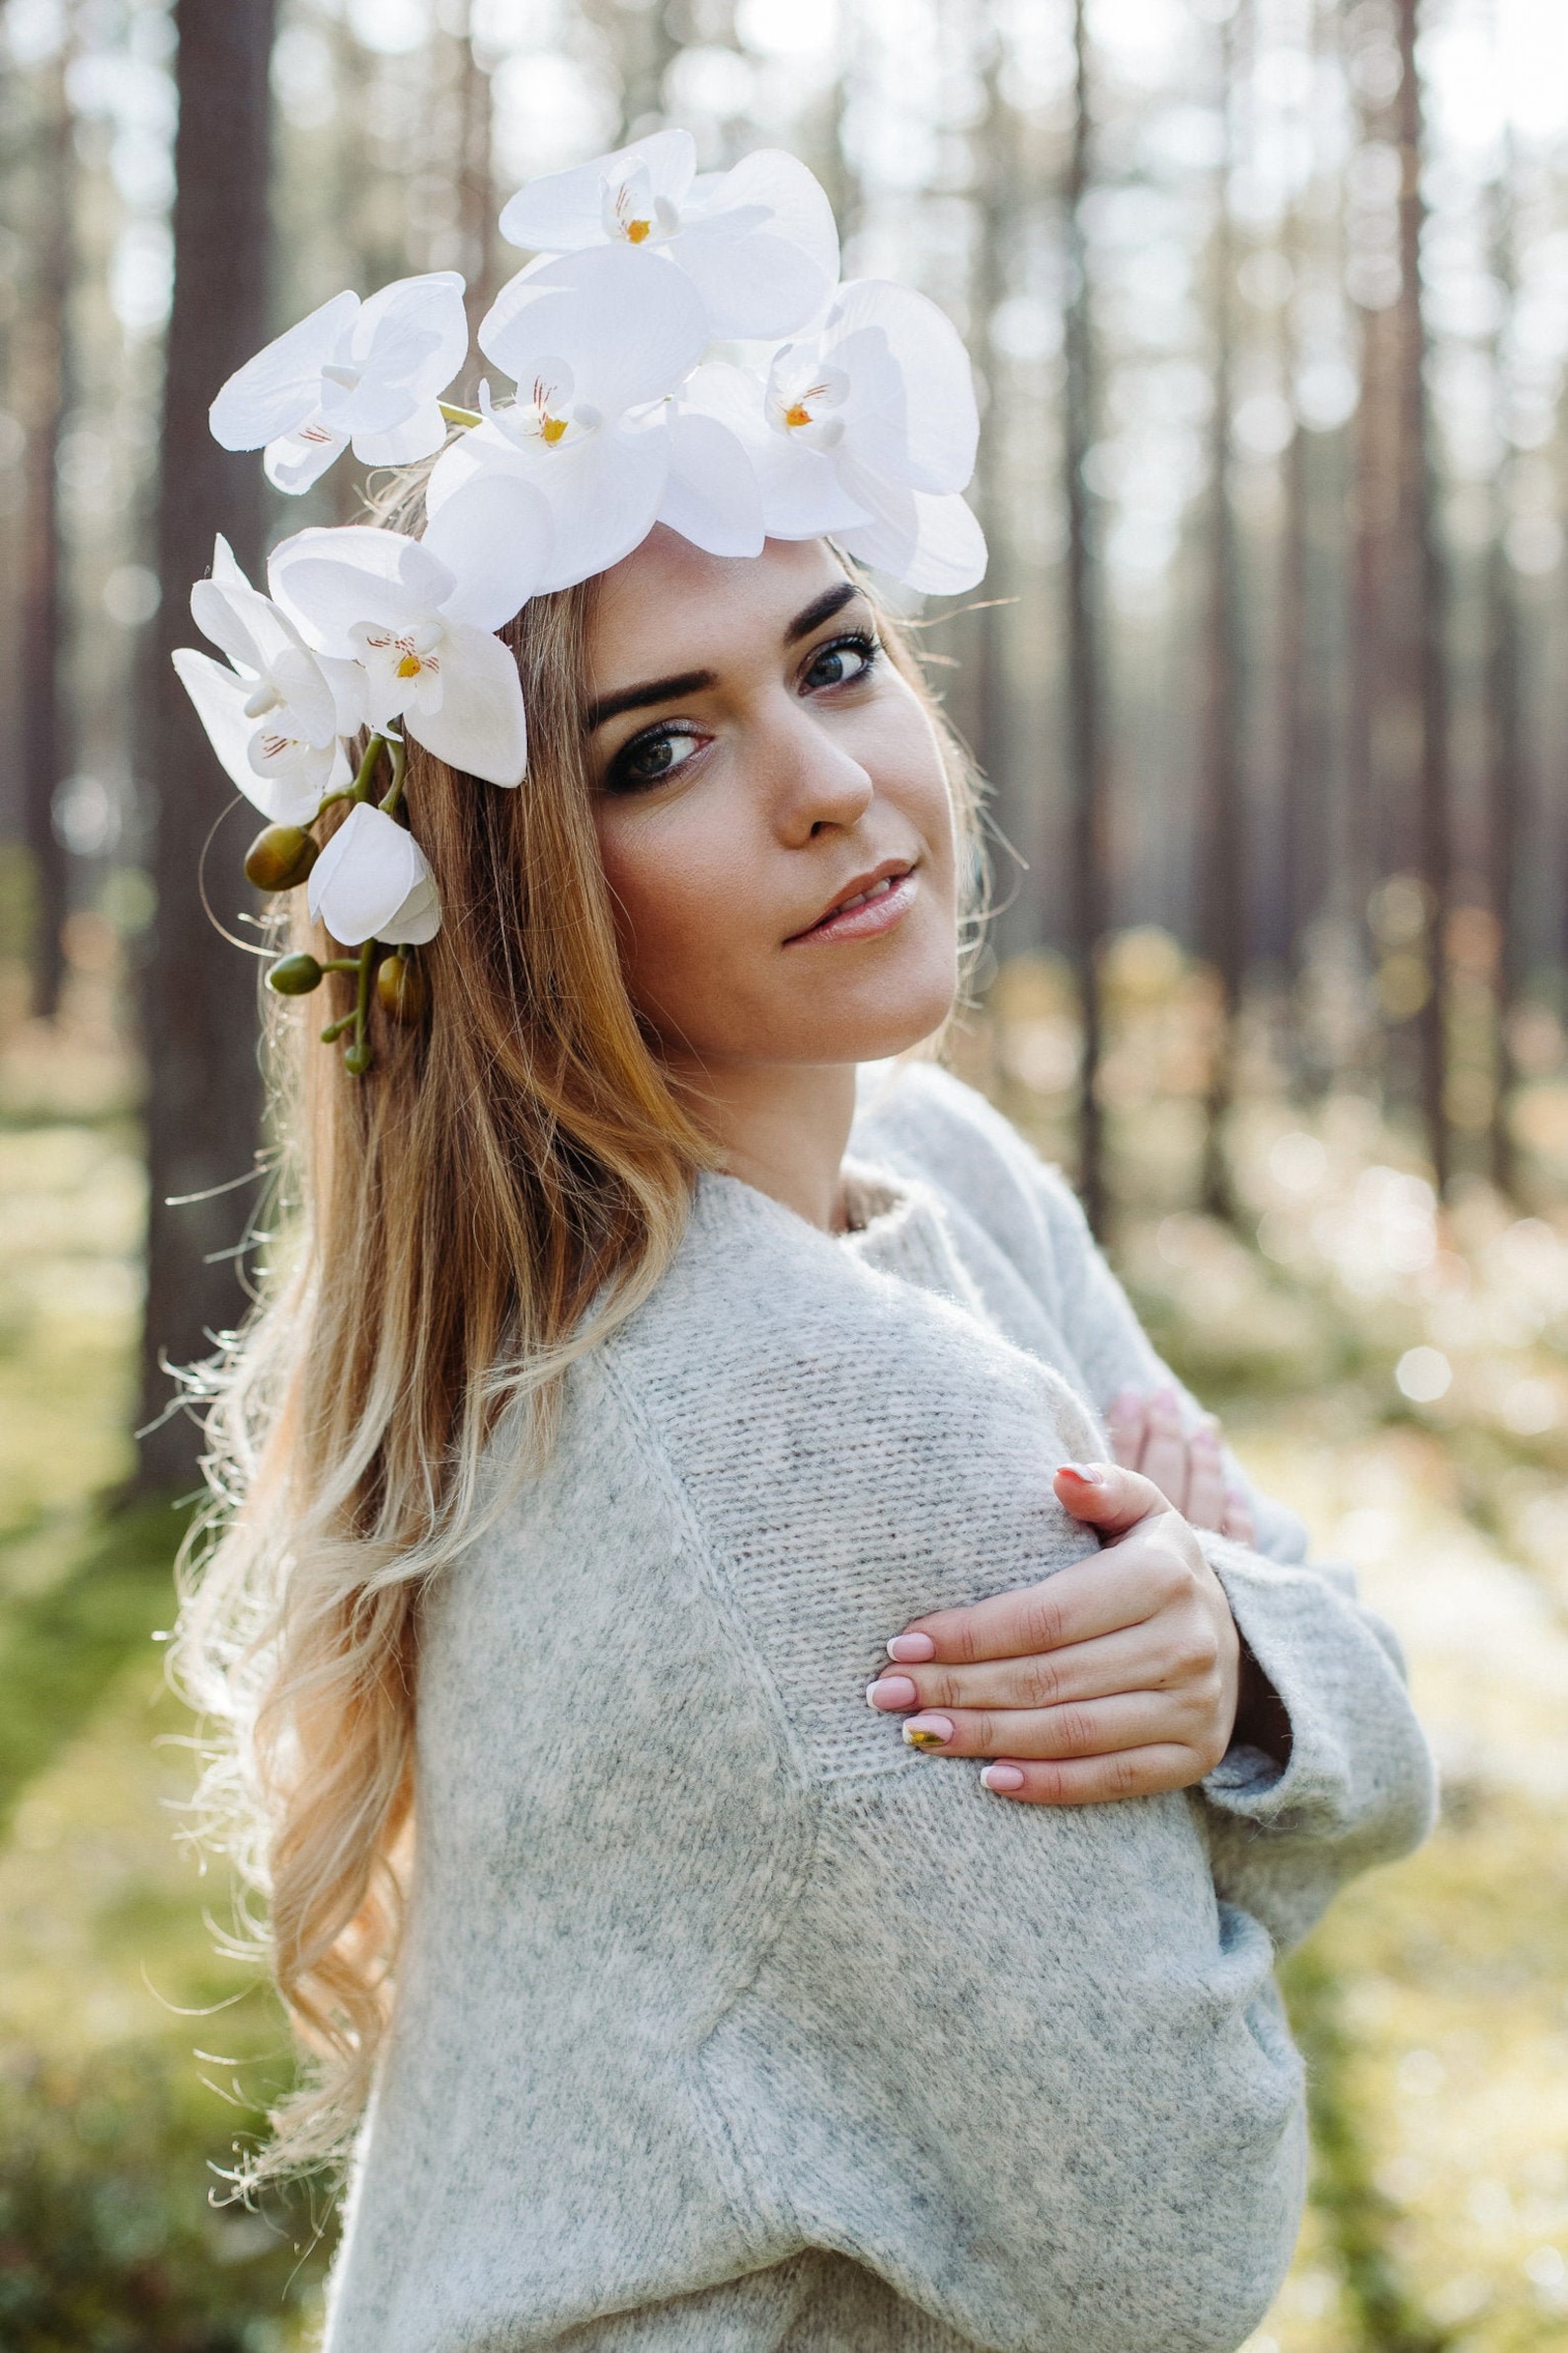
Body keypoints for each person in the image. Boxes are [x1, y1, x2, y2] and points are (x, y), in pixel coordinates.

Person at [172, 132, 1435, 2353]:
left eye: (833, 657)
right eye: (657, 752)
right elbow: (1166, 2242)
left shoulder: (931, 1180)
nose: (828, 780)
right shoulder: (810, 1420)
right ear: (511, 892)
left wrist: (1232, 1662)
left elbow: (1347, 1687)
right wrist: (1255, 1696)